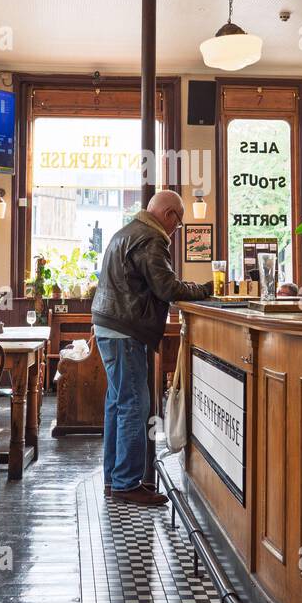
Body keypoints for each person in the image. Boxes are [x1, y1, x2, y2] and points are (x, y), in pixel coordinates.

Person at [91, 189, 212, 506]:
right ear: (170, 215)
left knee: (117, 404)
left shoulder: (127, 231)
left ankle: (114, 479)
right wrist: (206, 289)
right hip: (125, 330)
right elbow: (167, 287)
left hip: (108, 325)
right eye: (179, 222)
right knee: (134, 404)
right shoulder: (151, 237)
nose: (177, 229)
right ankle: (126, 483)